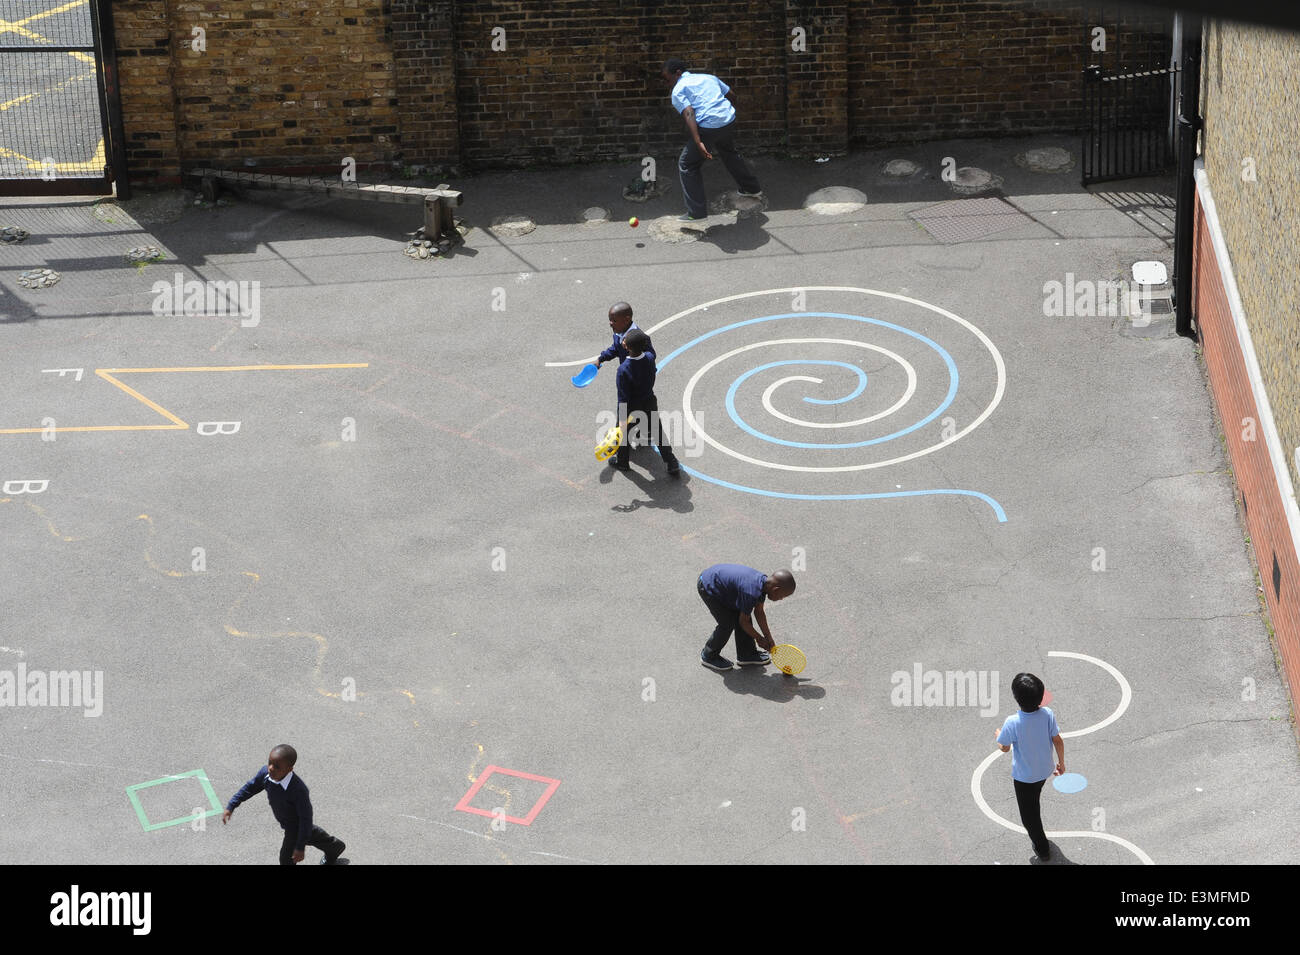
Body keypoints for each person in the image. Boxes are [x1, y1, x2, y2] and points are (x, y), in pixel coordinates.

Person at [661, 58, 763, 222]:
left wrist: (698, 141)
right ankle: (751, 188)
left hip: (709, 126)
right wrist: (725, 115)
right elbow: (731, 95)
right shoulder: (708, 78)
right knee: (728, 151)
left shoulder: (678, 89)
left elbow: (689, 112)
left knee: (687, 165)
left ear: (678, 73)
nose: (667, 83)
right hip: (728, 120)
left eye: (667, 79)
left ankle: (696, 213)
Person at [223, 743, 346, 866]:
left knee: (286, 859)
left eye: (277, 766)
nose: (271, 768)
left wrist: (300, 847)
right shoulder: (266, 774)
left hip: (294, 826)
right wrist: (231, 805)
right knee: (311, 835)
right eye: (269, 762)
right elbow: (249, 788)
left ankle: (333, 847)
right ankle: (334, 847)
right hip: (289, 822)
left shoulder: (298, 790)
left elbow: (305, 819)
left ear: (289, 769)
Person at [995, 673, 1065, 862]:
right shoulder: (1047, 714)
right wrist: (1062, 762)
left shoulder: (1012, 722)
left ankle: (1042, 849)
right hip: (1044, 770)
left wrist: (998, 735)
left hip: (1025, 777)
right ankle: (1041, 843)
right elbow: (1057, 740)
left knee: (1029, 817)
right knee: (1035, 799)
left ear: (1016, 698)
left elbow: (1004, 747)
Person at [697, 564, 794, 670]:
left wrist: (768, 637)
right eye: (783, 596)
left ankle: (746, 654)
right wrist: (759, 638)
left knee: (743, 613)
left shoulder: (763, 585)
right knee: (727, 623)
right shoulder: (750, 592)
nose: (781, 599)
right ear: (775, 590)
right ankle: (708, 656)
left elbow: (759, 612)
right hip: (708, 585)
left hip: (723, 585)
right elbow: (743, 622)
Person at [613, 329, 680, 476]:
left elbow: (623, 397)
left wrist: (622, 421)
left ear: (626, 347)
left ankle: (622, 461)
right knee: (657, 431)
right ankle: (671, 461)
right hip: (649, 400)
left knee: (623, 434)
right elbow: (647, 344)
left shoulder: (623, 369)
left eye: (625, 340)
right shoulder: (649, 358)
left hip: (631, 406)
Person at [595, 302, 649, 370]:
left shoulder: (639, 338)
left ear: (626, 320)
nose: (610, 324)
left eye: (614, 321)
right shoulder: (618, 334)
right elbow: (615, 348)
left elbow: (651, 356)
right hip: (626, 373)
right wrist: (600, 359)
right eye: (610, 320)